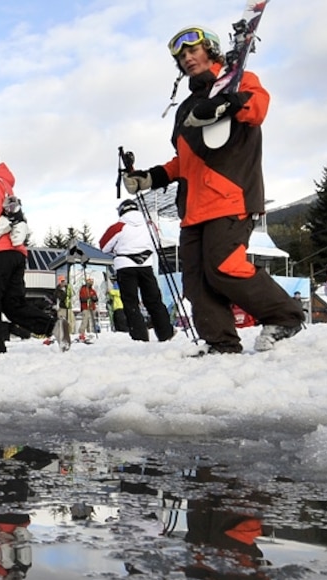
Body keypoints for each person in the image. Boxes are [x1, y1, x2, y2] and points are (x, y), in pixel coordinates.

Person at [123, 26, 302, 354]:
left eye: (193, 51)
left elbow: (258, 108)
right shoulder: (186, 108)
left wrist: (225, 105)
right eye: (181, 56)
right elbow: (184, 161)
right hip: (193, 208)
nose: (187, 58)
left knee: (225, 265)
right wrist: (150, 178)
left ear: (212, 50)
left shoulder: (240, 82)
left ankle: (284, 316)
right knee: (196, 281)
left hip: (230, 196)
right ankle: (220, 343)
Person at [0, 149, 56, 353]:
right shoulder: (5, 184)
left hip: (1, 252)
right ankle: (53, 327)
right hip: (16, 253)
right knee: (13, 305)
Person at [99, 200, 175, 342]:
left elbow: (103, 246)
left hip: (125, 266)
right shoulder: (149, 225)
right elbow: (157, 242)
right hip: (146, 265)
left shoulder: (118, 227)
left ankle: (139, 335)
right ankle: (166, 332)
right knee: (154, 300)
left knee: (130, 302)